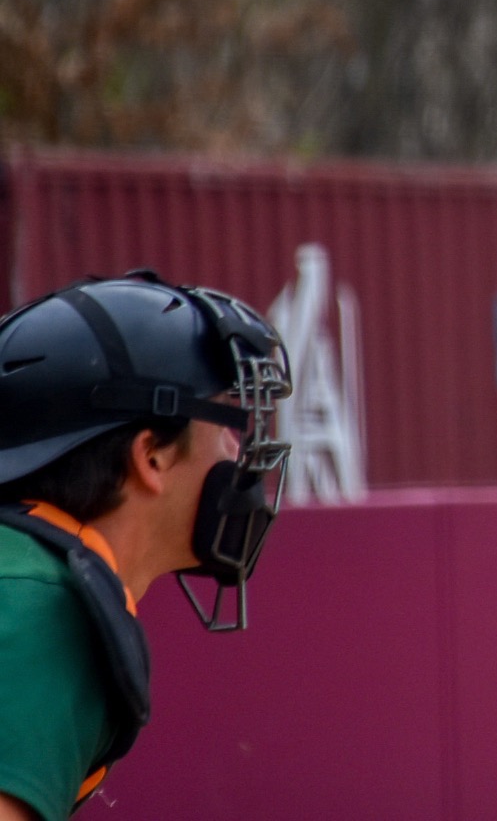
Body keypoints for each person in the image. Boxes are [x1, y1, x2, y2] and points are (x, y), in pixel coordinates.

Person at [0, 271, 292, 821]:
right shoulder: (45, 609)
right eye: (228, 425)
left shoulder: (22, 572)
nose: (238, 454)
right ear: (151, 454)